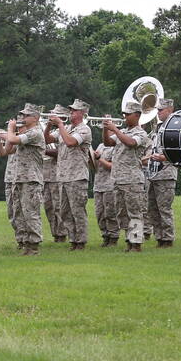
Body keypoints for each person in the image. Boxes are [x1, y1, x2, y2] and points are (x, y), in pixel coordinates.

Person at [102, 100, 152, 252]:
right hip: (118, 179)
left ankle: (136, 244)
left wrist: (115, 129)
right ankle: (129, 240)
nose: (125, 117)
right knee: (121, 213)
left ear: (136, 116)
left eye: (128, 114)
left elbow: (131, 143)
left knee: (135, 213)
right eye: (124, 114)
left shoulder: (141, 133)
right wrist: (105, 129)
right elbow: (108, 143)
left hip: (132, 180)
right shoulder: (124, 131)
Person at [0, 103, 46, 255]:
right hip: (19, 179)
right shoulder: (23, 135)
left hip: (31, 179)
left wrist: (10, 130)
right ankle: (25, 243)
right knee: (19, 213)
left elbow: (12, 139)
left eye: (27, 115)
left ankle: (34, 245)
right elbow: (5, 151)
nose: (23, 118)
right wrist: (0, 139)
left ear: (36, 118)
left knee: (31, 213)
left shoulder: (35, 133)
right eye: (22, 115)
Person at [50, 103, 92, 250]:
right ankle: (73, 239)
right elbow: (47, 140)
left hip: (77, 176)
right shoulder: (67, 128)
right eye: (71, 110)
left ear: (82, 113)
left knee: (77, 211)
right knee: (64, 211)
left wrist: (60, 124)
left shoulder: (84, 129)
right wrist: (49, 125)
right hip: (63, 176)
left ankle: (81, 241)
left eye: (74, 110)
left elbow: (70, 142)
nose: (71, 112)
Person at [143, 98, 178, 247]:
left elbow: (178, 153)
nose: (158, 113)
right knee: (152, 208)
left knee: (164, 208)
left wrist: (163, 157)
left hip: (166, 173)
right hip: (153, 174)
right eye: (157, 110)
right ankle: (159, 237)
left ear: (170, 110)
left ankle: (168, 238)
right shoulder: (158, 128)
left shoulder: (175, 128)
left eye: (160, 110)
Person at [40, 106, 64, 242]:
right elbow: (45, 140)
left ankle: (62, 234)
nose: (51, 116)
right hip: (46, 175)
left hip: (57, 174)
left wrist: (43, 151)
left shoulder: (64, 130)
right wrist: (48, 124)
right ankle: (55, 234)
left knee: (58, 206)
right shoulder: (54, 132)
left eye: (55, 115)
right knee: (48, 206)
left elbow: (59, 153)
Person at [93, 137, 118, 246]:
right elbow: (95, 167)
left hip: (110, 185)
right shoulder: (101, 146)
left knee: (110, 213)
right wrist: (91, 157)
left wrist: (99, 158)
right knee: (99, 214)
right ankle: (105, 236)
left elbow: (113, 166)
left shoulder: (116, 146)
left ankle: (113, 237)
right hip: (98, 185)